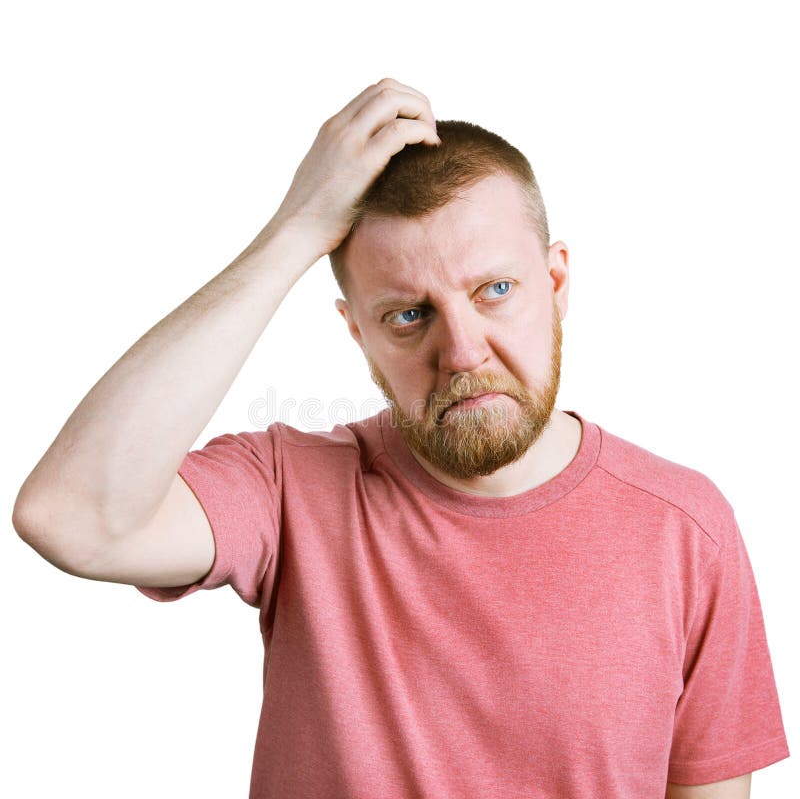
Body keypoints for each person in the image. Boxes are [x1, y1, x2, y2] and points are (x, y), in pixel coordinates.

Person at [12, 77, 789, 798]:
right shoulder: (289, 490)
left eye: (495, 291)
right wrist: (295, 231)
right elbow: (71, 518)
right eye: (408, 315)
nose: (462, 352)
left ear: (554, 284)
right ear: (358, 332)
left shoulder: (686, 528)